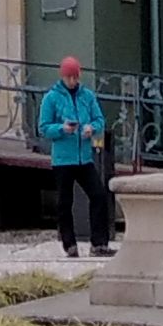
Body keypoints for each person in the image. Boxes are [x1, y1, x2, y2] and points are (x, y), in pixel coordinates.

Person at [36, 55, 115, 258]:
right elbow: (44, 128)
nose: (73, 81)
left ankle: (99, 243)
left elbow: (99, 120)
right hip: (63, 159)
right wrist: (62, 129)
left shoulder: (87, 96)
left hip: (84, 157)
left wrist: (92, 128)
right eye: (70, 77)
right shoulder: (51, 98)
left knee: (98, 195)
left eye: (76, 77)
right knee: (64, 202)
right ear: (63, 76)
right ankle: (69, 244)